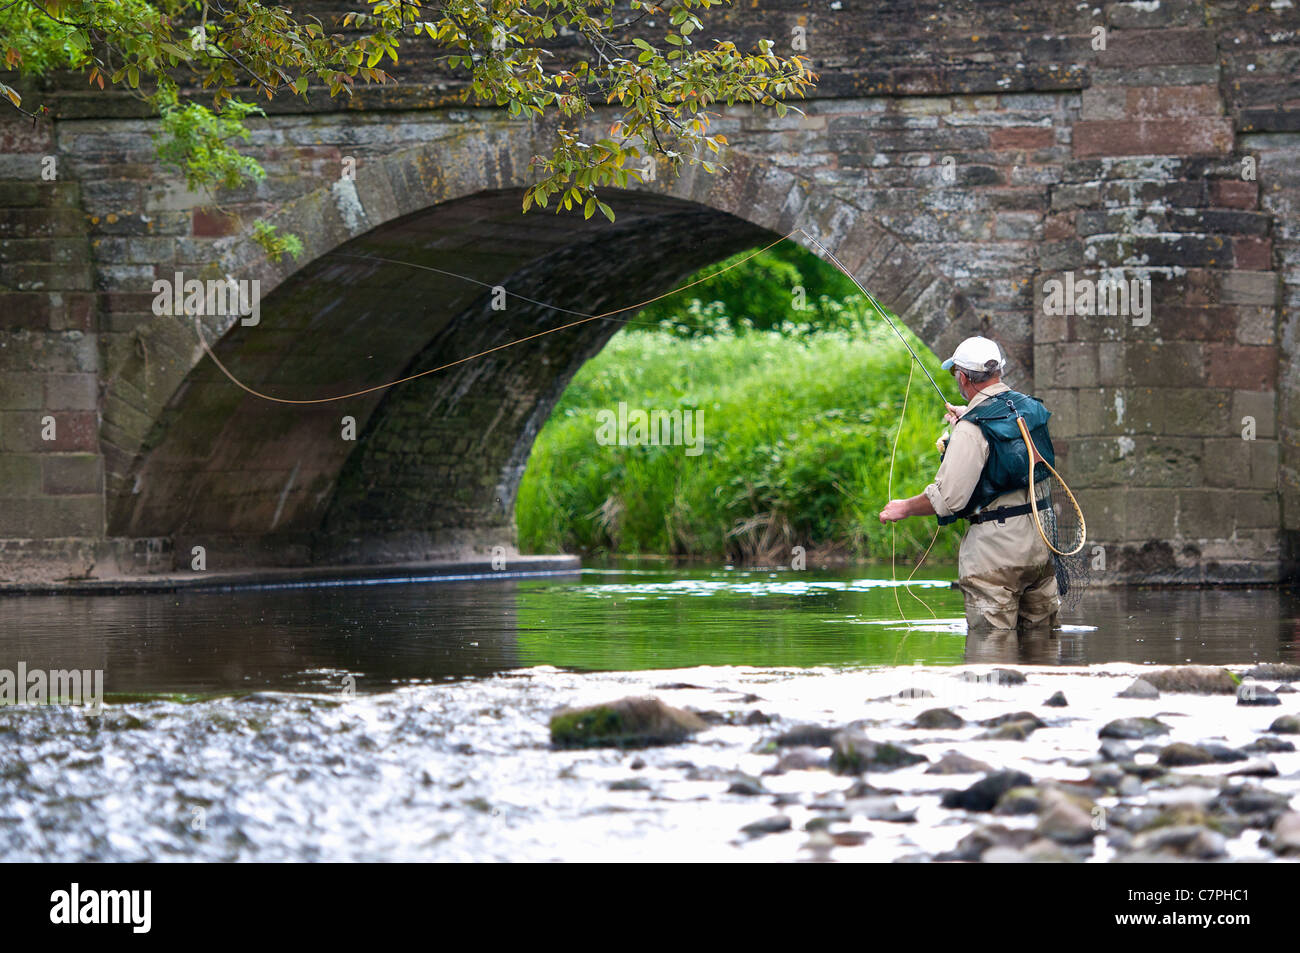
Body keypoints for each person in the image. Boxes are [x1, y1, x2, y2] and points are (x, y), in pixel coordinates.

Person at [879, 336, 1060, 633]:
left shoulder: (971, 428)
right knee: (1042, 651)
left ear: (963, 377)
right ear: (998, 371)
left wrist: (905, 508)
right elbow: (1009, 440)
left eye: (955, 375)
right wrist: (969, 421)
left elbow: (948, 500)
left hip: (996, 556)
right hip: (1042, 542)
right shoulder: (1029, 409)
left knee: (991, 654)